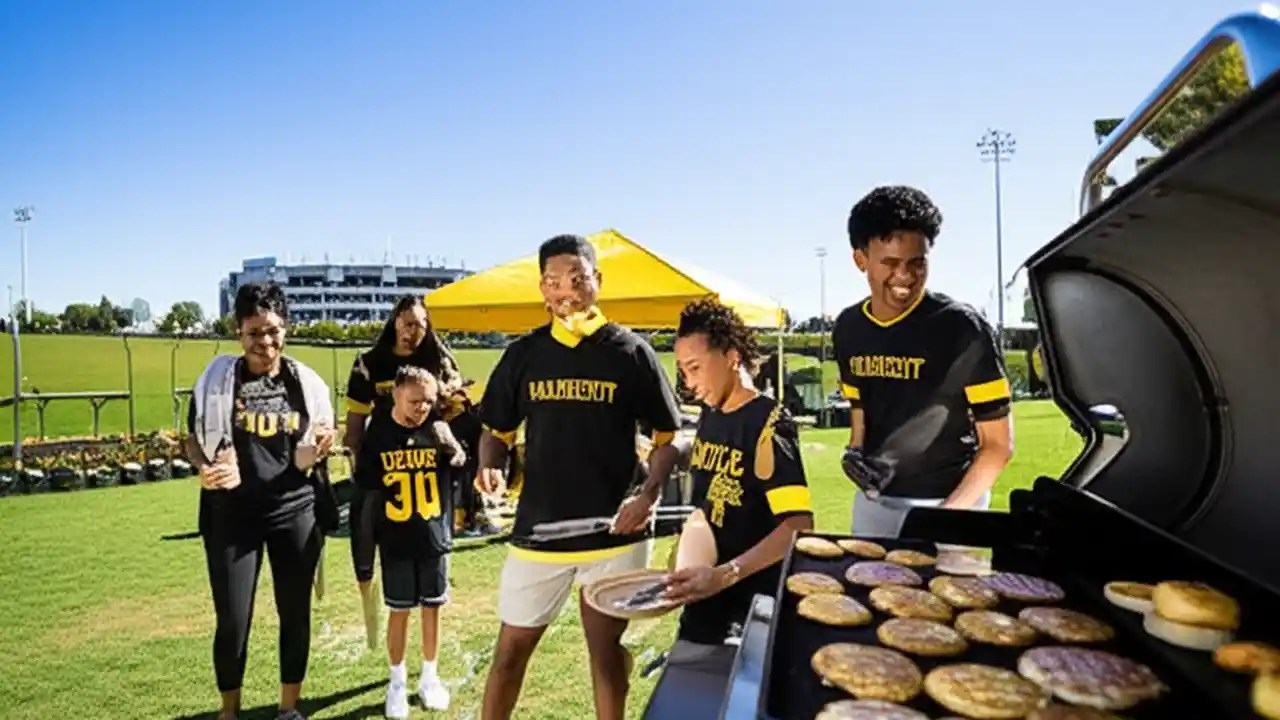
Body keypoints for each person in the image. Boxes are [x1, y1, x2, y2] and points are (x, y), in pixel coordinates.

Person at [474, 234, 683, 720]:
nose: (565, 290)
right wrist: (490, 463)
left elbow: (668, 438)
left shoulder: (631, 352)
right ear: (542, 289)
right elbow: (496, 432)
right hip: (538, 531)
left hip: (614, 533)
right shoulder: (523, 354)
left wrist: (650, 492)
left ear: (597, 281)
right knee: (509, 654)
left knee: (606, 652)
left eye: (577, 278)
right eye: (553, 281)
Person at [185, 282, 336, 720]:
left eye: (272, 331)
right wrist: (204, 468)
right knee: (232, 621)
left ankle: (288, 710)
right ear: (239, 332)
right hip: (232, 514)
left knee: (295, 614)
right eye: (254, 332)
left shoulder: (306, 382)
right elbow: (192, 439)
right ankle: (228, 712)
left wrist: (320, 447)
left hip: (294, 511)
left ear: (285, 329)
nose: (264, 342)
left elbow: (322, 436)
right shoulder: (216, 379)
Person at [832, 185, 1014, 537]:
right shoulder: (848, 327)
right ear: (860, 260)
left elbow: (998, 445)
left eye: (917, 263)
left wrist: (945, 518)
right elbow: (860, 410)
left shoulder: (962, 328)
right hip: (874, 506)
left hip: (951, 505)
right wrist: (854, 453)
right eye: (890, 263)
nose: (905, 277)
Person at [662, 298, 814, 664]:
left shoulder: (769, 422)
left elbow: (799, 525)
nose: (689, 383)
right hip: (705, 600)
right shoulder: (711, 413)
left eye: (695, 368)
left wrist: (726, 575)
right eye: (683, 371)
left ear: (731, 356)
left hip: (749, 611)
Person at [343, 295, 494, 644]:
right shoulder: (370, 363)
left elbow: (457, 408)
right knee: (371, 530)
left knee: (431, 538)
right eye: (409, 323)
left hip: (429, 463)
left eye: (423, 325)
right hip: (384, 461)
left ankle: (464, 521)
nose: (415, 331)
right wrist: (356, 460)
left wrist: (452, 403)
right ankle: (373, 584)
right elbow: (355, 422)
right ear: (395, 320)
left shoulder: (439, 359)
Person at [353, 365, 465, 718]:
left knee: (433, 607)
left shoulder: (437, 429)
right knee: (399, 611)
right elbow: (368, 493)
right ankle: (397, 681)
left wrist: (455, 450)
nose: (422, 407)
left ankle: (429, 677)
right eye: (415, 400)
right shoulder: (379, 434)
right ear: (397, 393)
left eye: (429, 401)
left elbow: (461, 467)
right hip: (396, 539)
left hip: (432, 535)